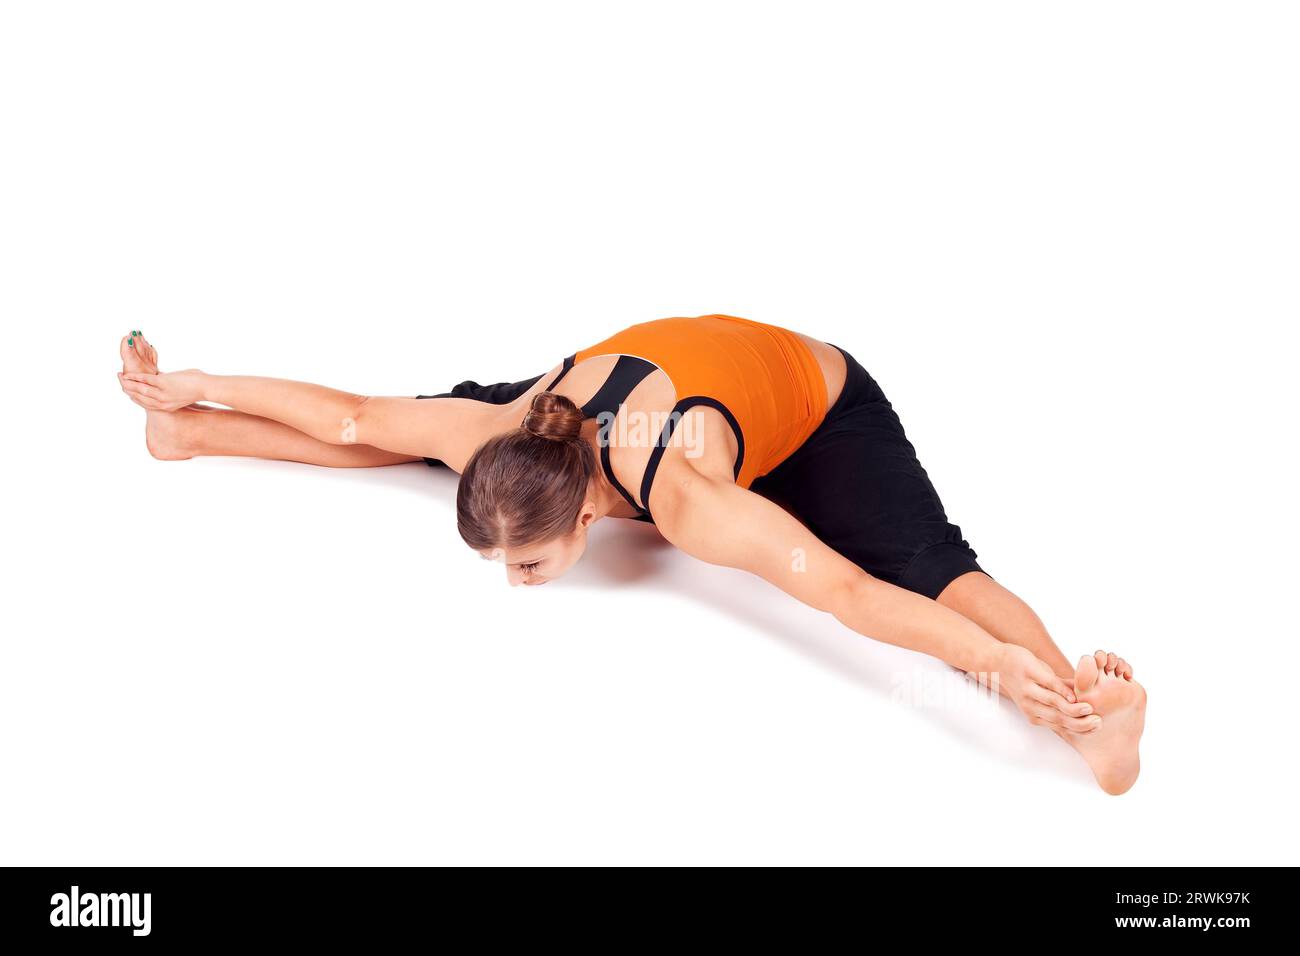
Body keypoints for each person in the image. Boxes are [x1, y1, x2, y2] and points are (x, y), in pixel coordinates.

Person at [117, 314, 1146, 794]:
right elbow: (350, 419)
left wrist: (990, 660)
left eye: (525, 564)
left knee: (935, 567)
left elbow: (843, 591)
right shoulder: (509, 432)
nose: (512, 582)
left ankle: (1085, 718)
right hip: (653, 401)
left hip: (813, 408)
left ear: (586, 521)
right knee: (412, 434)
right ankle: (187, 438)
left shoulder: (689, 498)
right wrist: (200, 387)